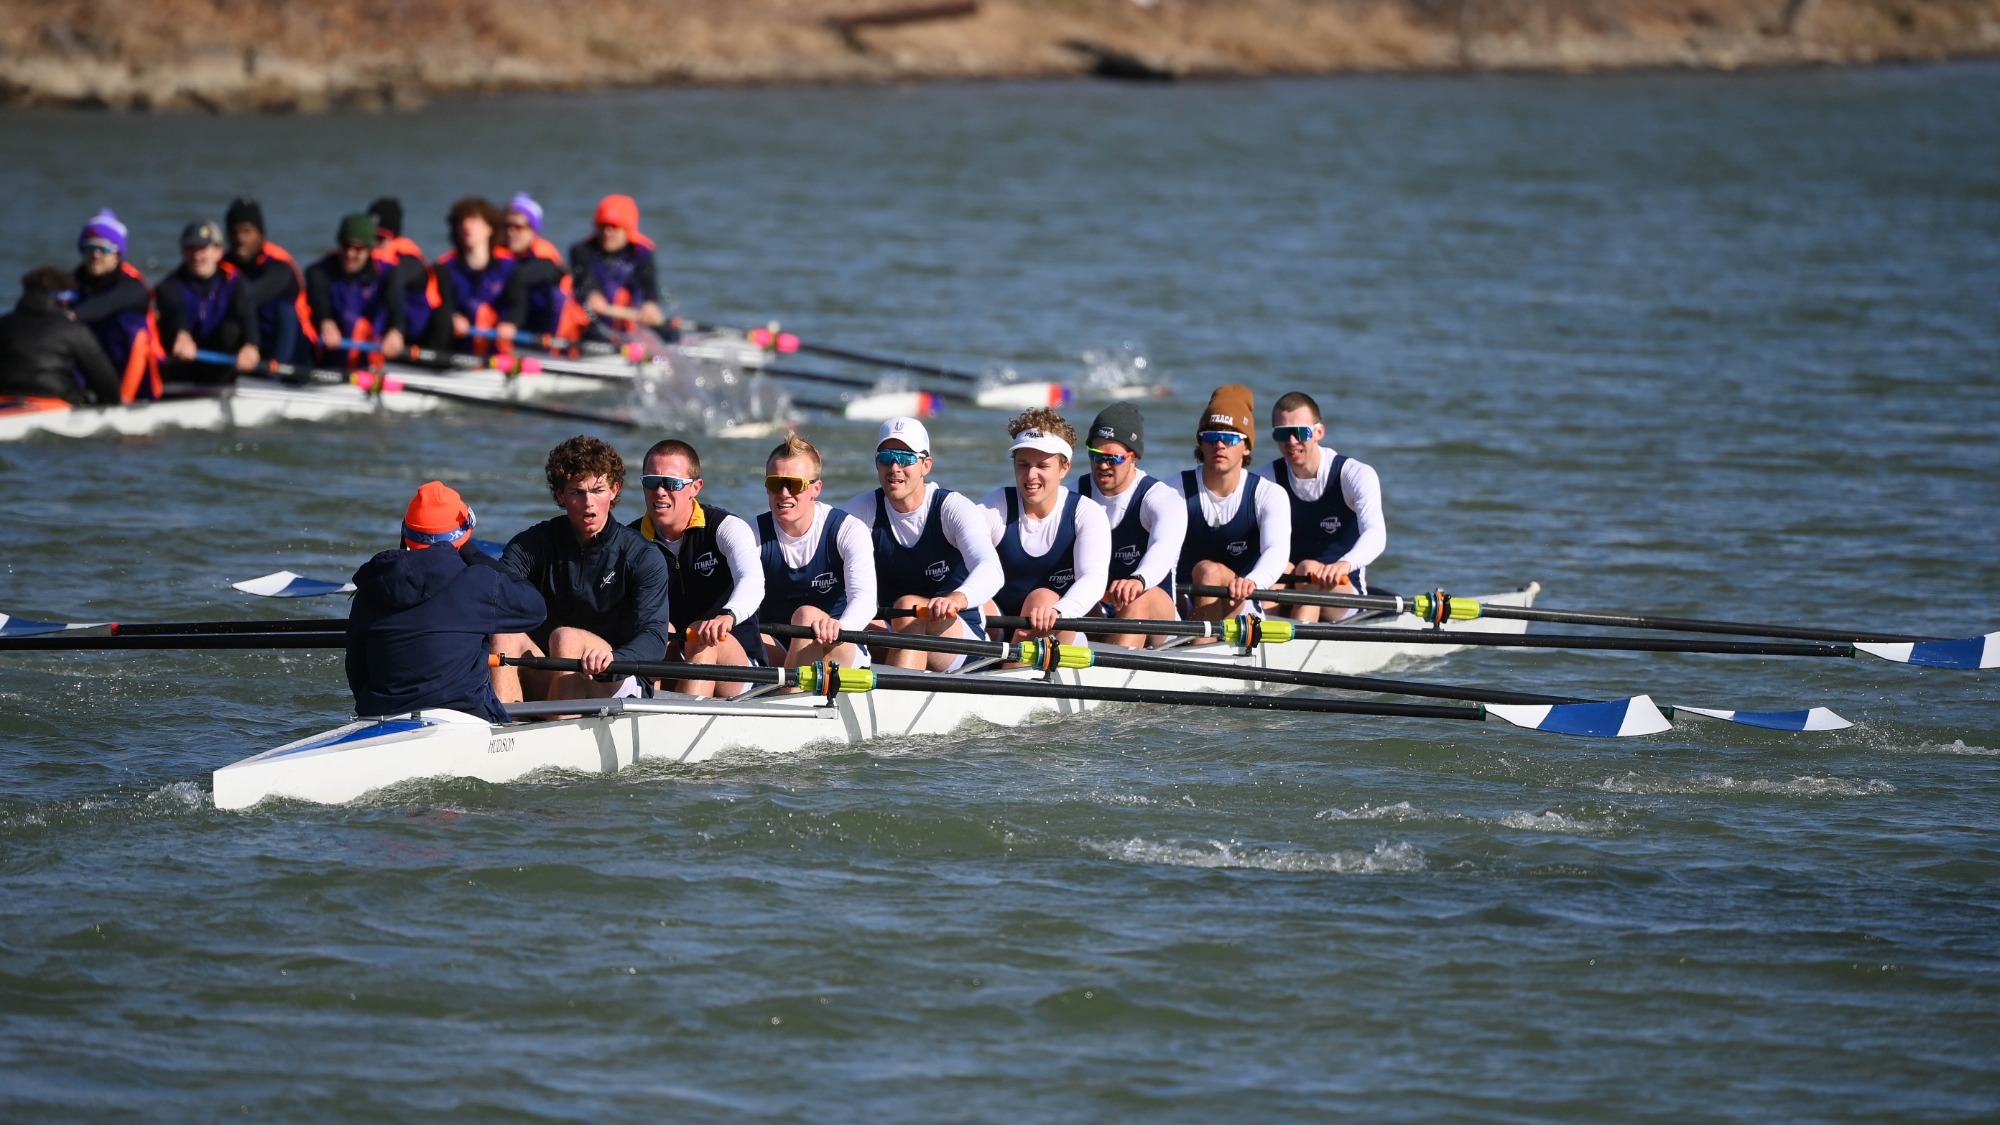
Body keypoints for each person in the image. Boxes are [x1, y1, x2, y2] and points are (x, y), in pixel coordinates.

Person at [491, 436, 674, 703]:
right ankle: (500, 731)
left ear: (614, 490)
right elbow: (495, 602)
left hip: (614, 675)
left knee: (566, 637)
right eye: (577, 492)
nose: (589, 503)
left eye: (598, 491)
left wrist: (616, 659)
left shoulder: (642, 556)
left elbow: (655, 637)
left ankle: (560, 726)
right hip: (554, 669)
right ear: (560, 494)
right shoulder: (532, 545)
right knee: (503, 633)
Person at [346, 481, 546, 723]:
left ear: (406, 533)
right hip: (462, 718)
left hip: (377, 716)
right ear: (461, 537)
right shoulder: (476, 582)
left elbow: (357, 673)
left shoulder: (372, 585)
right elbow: (536, 609)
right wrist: (471, 552)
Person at [841, 416, 1003, 671]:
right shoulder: (861, 511)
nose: (894, 467)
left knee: (908, 607)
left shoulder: (952, 509)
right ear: (876, 463)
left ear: (926, 465)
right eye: (886, 457)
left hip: (959, 639)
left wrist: (957, 599)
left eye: (905, 458)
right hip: (893, 629)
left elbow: (991, 570)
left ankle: (896, 699)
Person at [629, 438, 765, 698]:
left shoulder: (725, 528)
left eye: (671, 484)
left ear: (695, 487)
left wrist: (728, 616)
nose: (659, 492)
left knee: (699, 637)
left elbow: (752, 580)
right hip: (671, 657)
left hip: (735, 663)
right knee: (657, 631)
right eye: (651, 482)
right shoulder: (630, 540)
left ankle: (679, 725)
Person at [978, 409, 1110, 644]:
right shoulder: (996, 505)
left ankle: (1010, 670)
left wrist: (1059, 611)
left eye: (1042, 466)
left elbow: (1093, 579)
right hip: (1000, 626)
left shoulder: (1085, 513)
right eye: (1023, 464)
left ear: (1064, 468)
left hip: (1058, 628)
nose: (1031, 475)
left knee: (1043, 598)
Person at [756, 432, 875, 671]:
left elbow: (865, 600)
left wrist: (843, 627)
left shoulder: (846, 530)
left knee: (806, 615)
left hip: (836, 643)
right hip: (776, 645)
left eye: (795, 484)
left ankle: (786, 695)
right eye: (776, 483)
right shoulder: (751, 533)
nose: (784, 493)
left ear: (815, 488)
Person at [1268, 390, 1388, 622]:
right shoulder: (1267, 479)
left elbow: (1376, 535)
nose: (1291, 442)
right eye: (1283, 434)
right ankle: (1259, 639)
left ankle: (1293, 648)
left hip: (1342, 591)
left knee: (1308, 570)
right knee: (1278, 568)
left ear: (1319, 432)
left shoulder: (1354, 475)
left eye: (1300, 432)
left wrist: (1344, 564)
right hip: (1290, 583)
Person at [1075, 402, 1186, 647]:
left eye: (1113, 458)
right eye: (1095, 455)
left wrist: (1139, 579)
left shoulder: (1161, 499)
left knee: (1137, 598)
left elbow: (1164, 546)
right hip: (1099, 612)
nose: (1102, 465)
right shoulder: (1073, 494)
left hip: (1156, 619)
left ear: (1133, 457)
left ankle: (1111, 676)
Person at [1177, 385, 1291, 622]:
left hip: (1242, 603)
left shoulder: (1268, 494)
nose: (1219, 445)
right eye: (1211, 437)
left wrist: (1253, 581)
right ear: (1201, 443)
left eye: (1229, 437)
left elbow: (1276, 551)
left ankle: (1199, 649)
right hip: (1180, 601)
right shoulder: (1173, 490)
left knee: (1208, 571)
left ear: (1247, 446)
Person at [68, 209, 161, 403]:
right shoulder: (71, 282)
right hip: (92, 371)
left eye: (104, 249)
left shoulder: (134, 287)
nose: (95, 255)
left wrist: (68, 316)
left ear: (117, 255)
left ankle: (123, 401)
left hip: (139, 383)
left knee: (134, 330)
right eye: (89, 247)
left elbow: (105, 304)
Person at [153, 219, 259, 385]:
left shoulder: (235, 283)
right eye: (190, 249)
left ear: (218, 251)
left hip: (220, 366)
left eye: (202, 248)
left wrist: (251, 345)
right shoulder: (169, 285)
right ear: (183, 252)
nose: (196, 255)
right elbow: (175, 310)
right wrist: (181, 334)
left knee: (231, 330)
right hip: (183, 362)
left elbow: (247, 316)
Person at [0, 266, 122, 405]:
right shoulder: (72, 329)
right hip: (55, 402)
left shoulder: (3, 324)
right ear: (63, 297)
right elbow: (105, 381)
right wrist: (111, 404)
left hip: (4, 404)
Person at [307, 212, 412, 364]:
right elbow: (318, 300)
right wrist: (326, 322)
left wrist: (397, 331)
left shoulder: (388, 273)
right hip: (329, 356)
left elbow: (396, 305)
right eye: (346, 246)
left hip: (373, 358)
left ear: (370, 249)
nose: (350, 254)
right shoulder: (319, 271)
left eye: (358, 248)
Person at [223, 196, 314, 366]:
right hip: (249, 349)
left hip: (294, 351)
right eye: (235, 232)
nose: (240, 239)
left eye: (247, 231)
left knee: (284, 309)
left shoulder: (280, 267)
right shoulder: (223, 265)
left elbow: (248, 298)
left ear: (260, 235)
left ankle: (275, 375)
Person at [569, 194, 665, 341]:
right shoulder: (581, 251)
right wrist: (591, 294)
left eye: (614, 227)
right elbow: (583, 279)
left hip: (629, 321)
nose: (608, 232)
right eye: (603, 226)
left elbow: (648, 283)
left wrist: (650, 304)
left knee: (665, 331)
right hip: (593, 319)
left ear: (627, 229)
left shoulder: (642, 253)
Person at [429, 196, 513, 351]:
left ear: (490, 228)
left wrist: (510, 322)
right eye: (461, 221)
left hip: (495, 346)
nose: (466, 225)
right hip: (456, 345)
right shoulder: (444, 267)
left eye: (473, 220)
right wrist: (452, 317)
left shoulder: (508, 267)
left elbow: (516, 304)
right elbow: (441, 303)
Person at [495, 192, 578, 344]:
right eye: (507, 226)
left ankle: (554, 348)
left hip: (554, 330)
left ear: (533, 231)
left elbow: (519, 278)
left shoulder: (545, 255)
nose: (510, 232)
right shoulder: (497, 252)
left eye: (518, 227)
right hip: (513, 326)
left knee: (556, 295)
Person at [367, 196, 433, 344]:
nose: (373, 245)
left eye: (379, 238)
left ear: (393, 237)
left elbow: (394, 281)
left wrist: (396, 330)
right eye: (369, 238)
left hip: (412, 336)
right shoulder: (355, 255)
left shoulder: (409, 260)